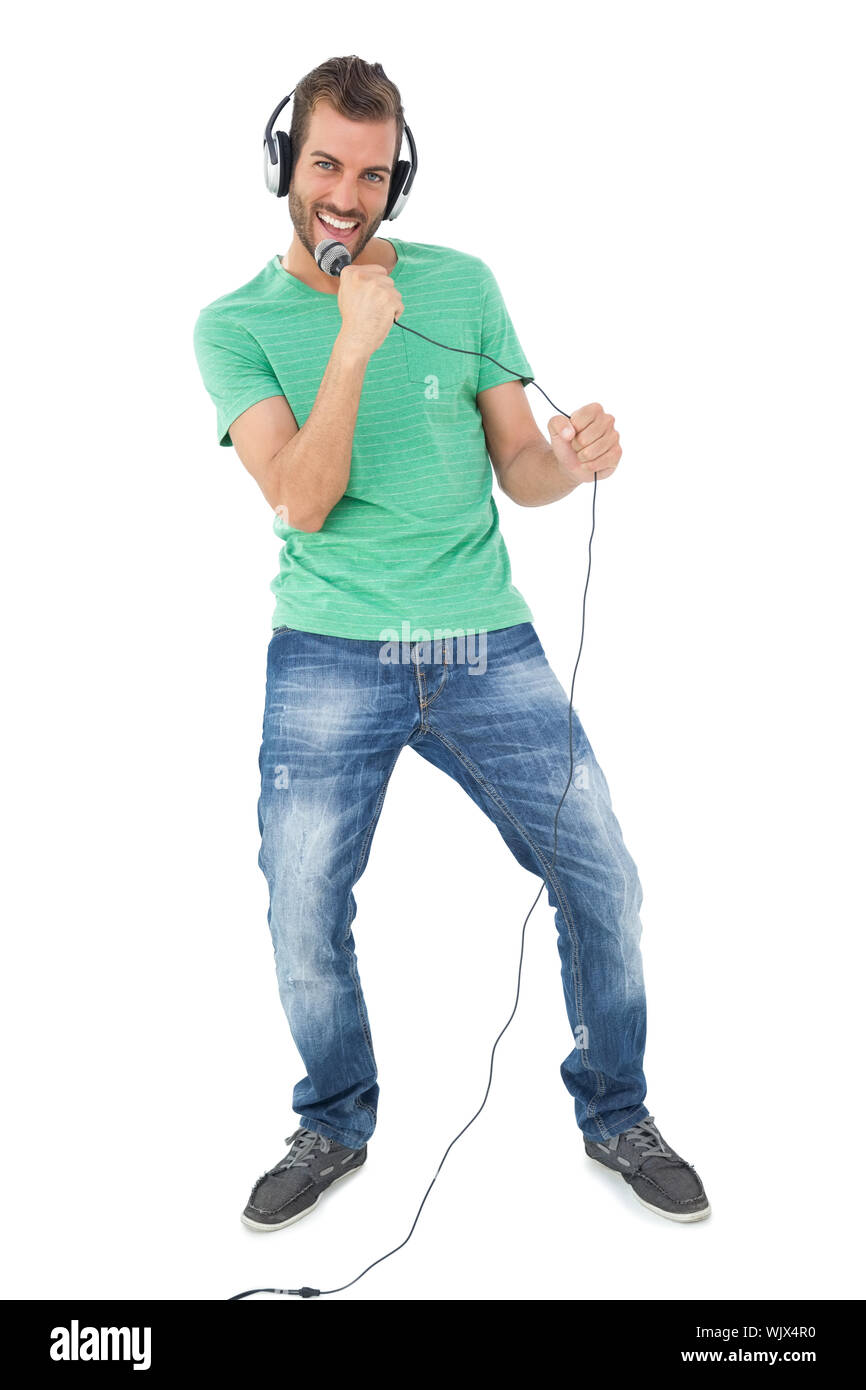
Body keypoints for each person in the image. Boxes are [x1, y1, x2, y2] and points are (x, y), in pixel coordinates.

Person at [192, 54, 710, 1233]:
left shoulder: (462, 285)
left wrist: (566, 463)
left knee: (602, 877)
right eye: (324, 164)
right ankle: (332, 1120)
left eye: (371, 174)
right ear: (287, 163)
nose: (345, 195)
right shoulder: (233, 326)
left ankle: (615, 1113)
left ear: (396, 179)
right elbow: (300, 499)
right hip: (330, 649)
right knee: (301, 906)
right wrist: (350, 341)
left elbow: (518, 469)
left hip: (484, 638)